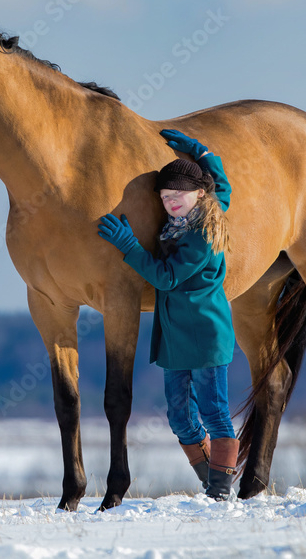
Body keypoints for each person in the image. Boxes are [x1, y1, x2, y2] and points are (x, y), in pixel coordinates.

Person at [97, 128, 238, 500]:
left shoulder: (201, 234)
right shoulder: (207, 205)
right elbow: (221, 182)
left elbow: (167, 276)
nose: (171, 202)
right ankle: (212, 480)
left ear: (197, 195)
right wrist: (200, 151)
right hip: (176, 337)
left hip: (205, 336)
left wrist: (128, 245)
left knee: (215, 415)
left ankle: (220, 490)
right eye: (165, 196)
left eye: (178, 195)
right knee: (179, 417)